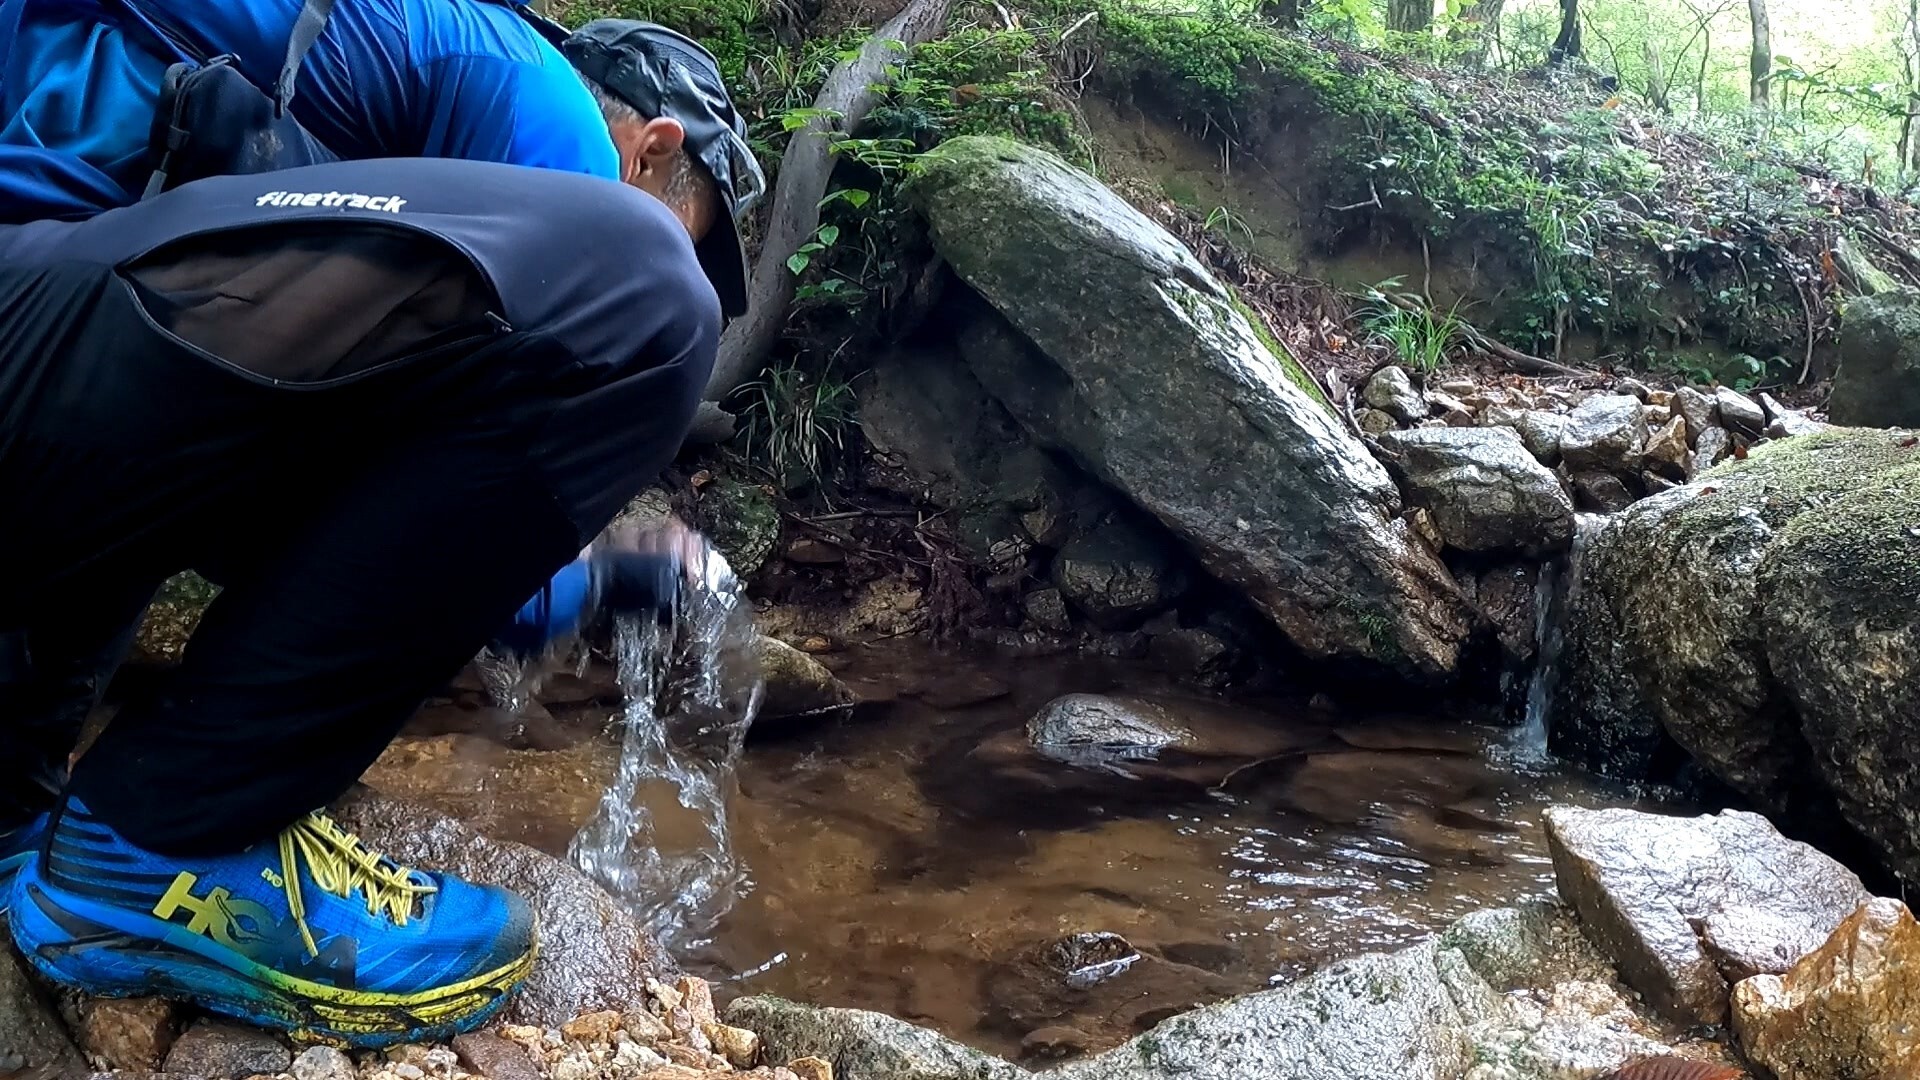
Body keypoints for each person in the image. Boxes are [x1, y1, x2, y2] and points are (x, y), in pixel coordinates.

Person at [0, 25, 756, 1047]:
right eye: (695, 222)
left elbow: (308, 483)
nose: (689, 249)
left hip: (55, 390)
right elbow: (451, 478)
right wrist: (584, 585)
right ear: (652, 147)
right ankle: (158, 837)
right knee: (646, 297)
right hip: (41, 339)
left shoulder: (398, 63)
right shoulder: (546, 106)